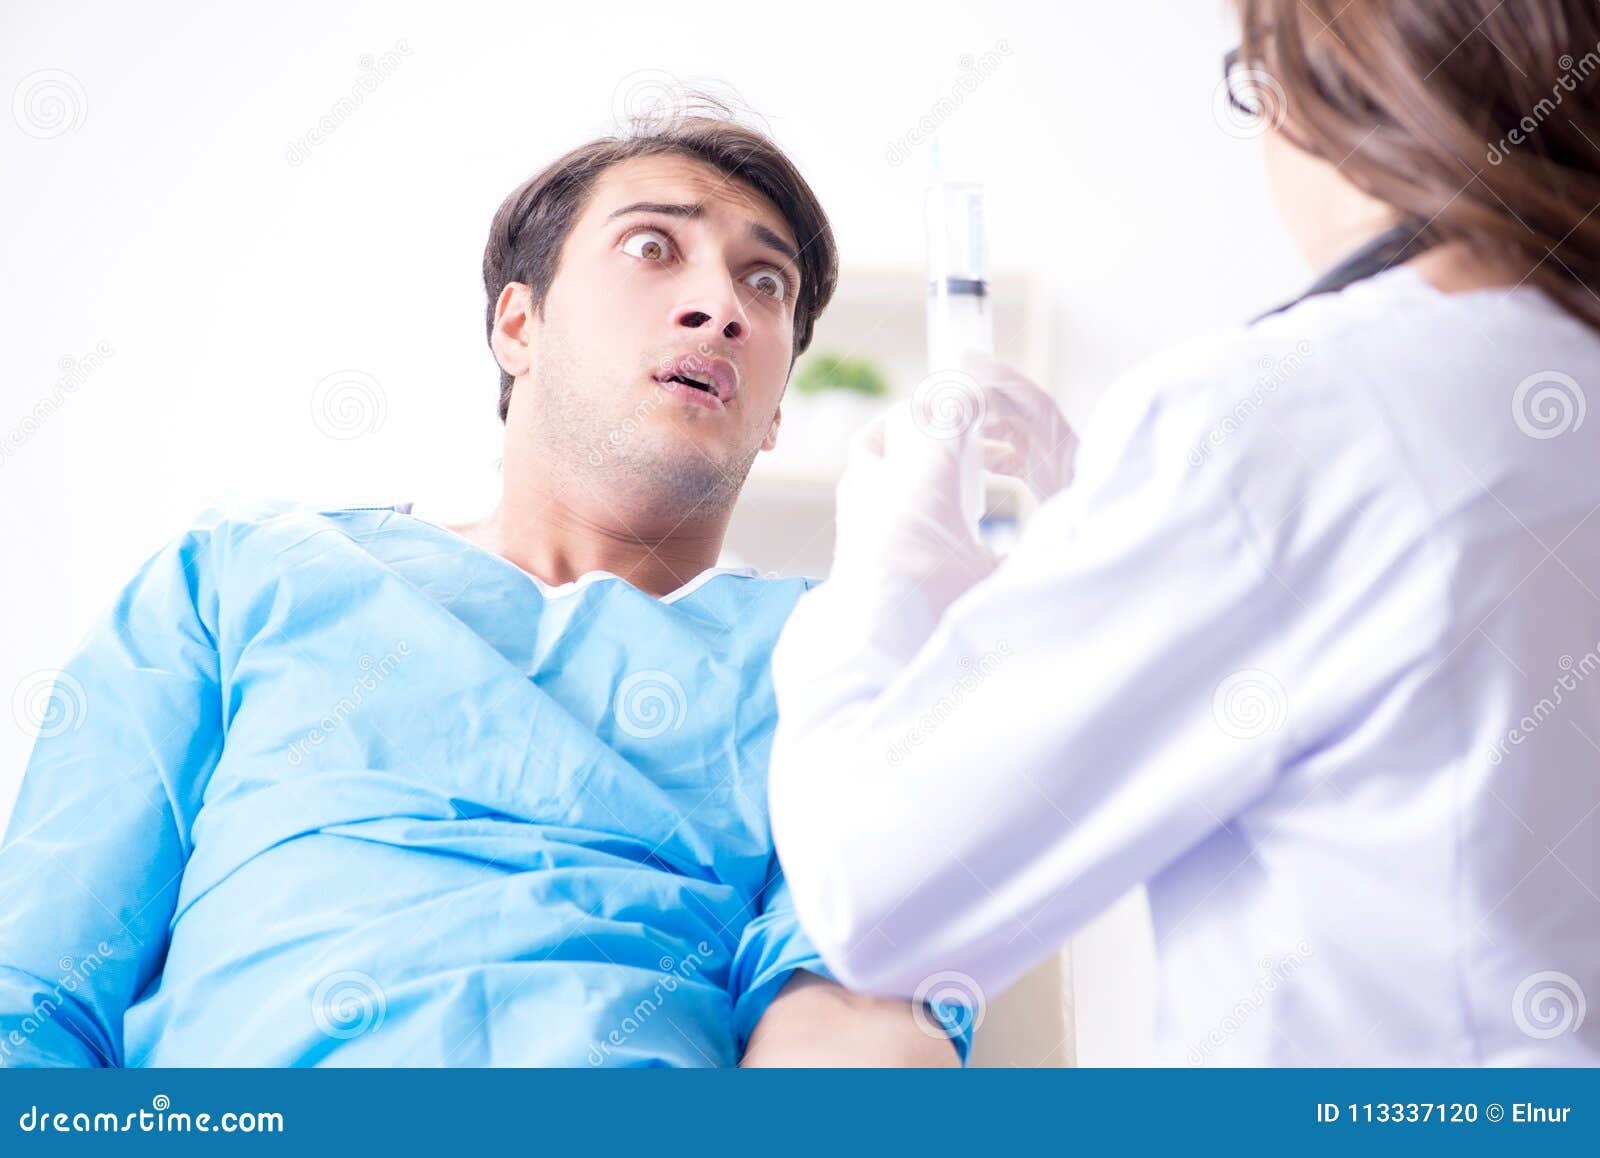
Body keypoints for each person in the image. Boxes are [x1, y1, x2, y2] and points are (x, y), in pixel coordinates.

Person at [0, 110, 967, 1068]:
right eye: (651, 246)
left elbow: (851, 1021)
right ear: (518, 325)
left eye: (767, 283)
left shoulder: (841, 659)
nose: (723, 307)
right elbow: (34, 1001)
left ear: (773, 415)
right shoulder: (241, 578)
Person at [766, 0, 1600, 1065]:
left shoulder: (1288, 412)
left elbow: (875, 899)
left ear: (1326, 83)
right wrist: (1104, 535)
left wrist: (880, 569)